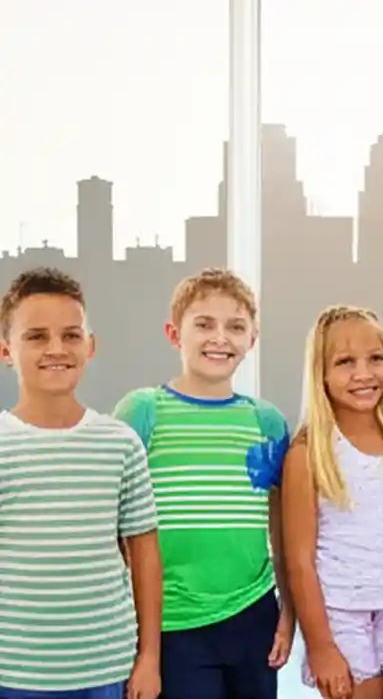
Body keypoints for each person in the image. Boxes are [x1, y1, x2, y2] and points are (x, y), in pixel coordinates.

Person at [113, 268, 293, 697]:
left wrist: (288, 613)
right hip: (173, 620)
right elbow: (115, 523)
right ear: (175, 333)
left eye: (235, 327)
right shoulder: (143, 410)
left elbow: (280, 525)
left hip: (253, 613)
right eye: (204, 324)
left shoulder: (266, 421)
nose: (220, 338)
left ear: (253, 339)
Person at [0, 268, 162, 699]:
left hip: (105, 666)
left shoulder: (121, 444)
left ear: (91, 347)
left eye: (71, 335)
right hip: (12, 670)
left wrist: (149, 658)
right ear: (6, 350)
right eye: (36, 336)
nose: (56, 348)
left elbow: (144, 555)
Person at [284, 306, 383, 699]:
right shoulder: (308, 453)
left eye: (376, 359)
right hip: (340, 614)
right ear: (321, 375)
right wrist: (321, 646)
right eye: (346, 362)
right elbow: (299, 560)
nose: (364, 374)